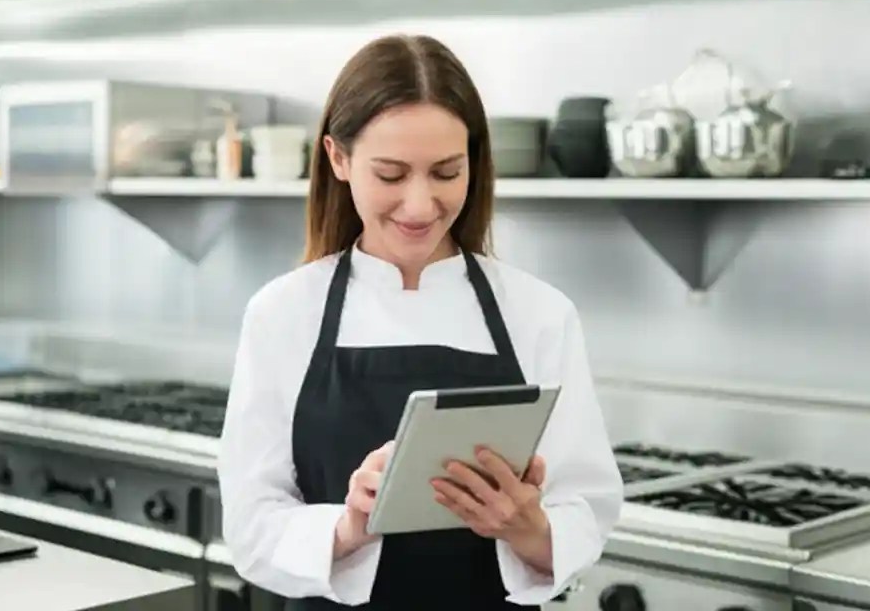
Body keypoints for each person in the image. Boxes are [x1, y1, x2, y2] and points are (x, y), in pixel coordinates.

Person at [217, 34, 623, 609]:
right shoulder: (283, 314)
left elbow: (588, 505)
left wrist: (525, 527)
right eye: (390, 174)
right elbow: (252, 525)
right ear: (338, 158)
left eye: (445, 172)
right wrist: (351, 524)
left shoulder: (539, 314)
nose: (419, 204)